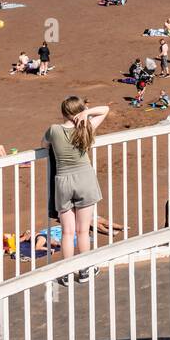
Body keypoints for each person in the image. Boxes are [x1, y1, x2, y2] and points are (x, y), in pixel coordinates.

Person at [43, 97, 108, 281]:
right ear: (79, 111)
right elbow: (104, 110)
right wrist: (87, 113)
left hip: (63, 181)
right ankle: (85, 269)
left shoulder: (54, 130)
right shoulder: (85, 128)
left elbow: (43, 144)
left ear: (63, 113)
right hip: (85, 180)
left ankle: (66, 273)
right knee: (82, 231)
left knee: (67, 232)